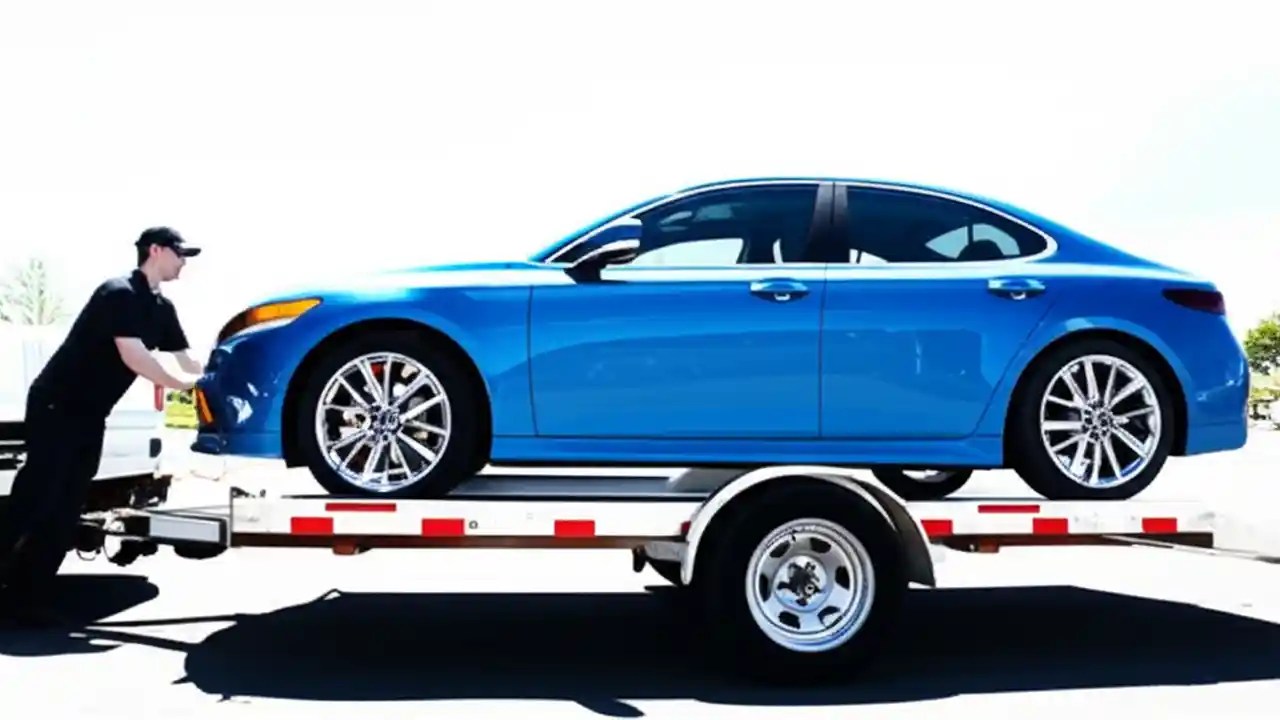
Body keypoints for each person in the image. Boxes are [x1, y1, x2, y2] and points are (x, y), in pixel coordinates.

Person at [0, 227, 206, 627]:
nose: (184, 262)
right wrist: (179, 385)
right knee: (36, 496)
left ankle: (26, 598)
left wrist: (217, 374)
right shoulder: (118, 294)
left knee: (67, 504)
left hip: (92, 414)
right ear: (156, 250)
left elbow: (186, 359)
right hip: (56, 405)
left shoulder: (161, 310)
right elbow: (133, 355)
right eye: (180, 254)